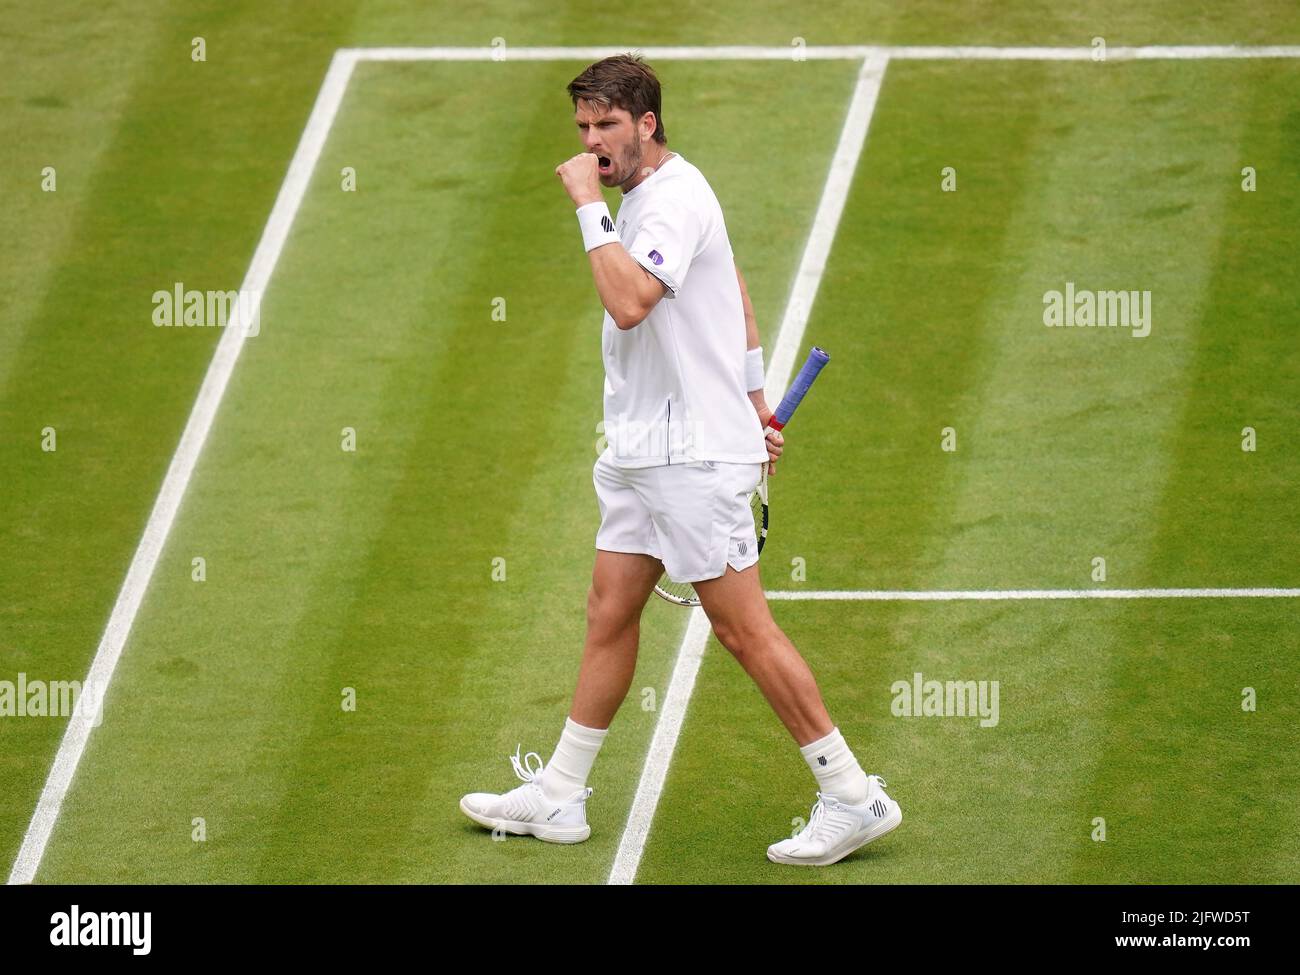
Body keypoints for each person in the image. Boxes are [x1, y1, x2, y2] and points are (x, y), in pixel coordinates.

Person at [460, 53, 900, 867]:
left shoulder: (667, 198)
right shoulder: (655, 198)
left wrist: (589, 206)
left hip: (691, 457)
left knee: (743, 629)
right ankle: (560, 793)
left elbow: (629, 304)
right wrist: (757, 394)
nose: (593, 145)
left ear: (647, 124)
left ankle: (851, 793)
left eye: (607, 128)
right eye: (583, 129)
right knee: (609, 610)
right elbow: (728, 283)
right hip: (639, 450)